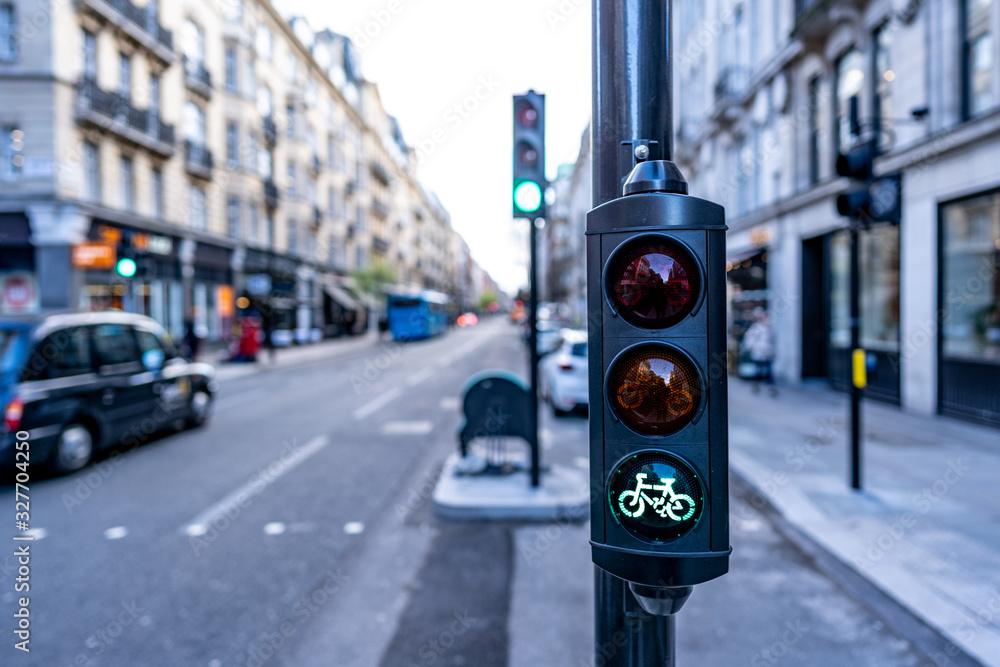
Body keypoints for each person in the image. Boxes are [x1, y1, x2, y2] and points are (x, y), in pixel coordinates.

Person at [742, 307, 777, 396]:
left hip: (767, 353)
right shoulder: (756, 328)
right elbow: (749, 338)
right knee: (758, 371)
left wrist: (773, 352)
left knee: (769, 371)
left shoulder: (770, 328)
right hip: (758, 353)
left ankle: (771, 387)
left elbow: (772, 342)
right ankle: (755, 385)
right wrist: (754, 347)